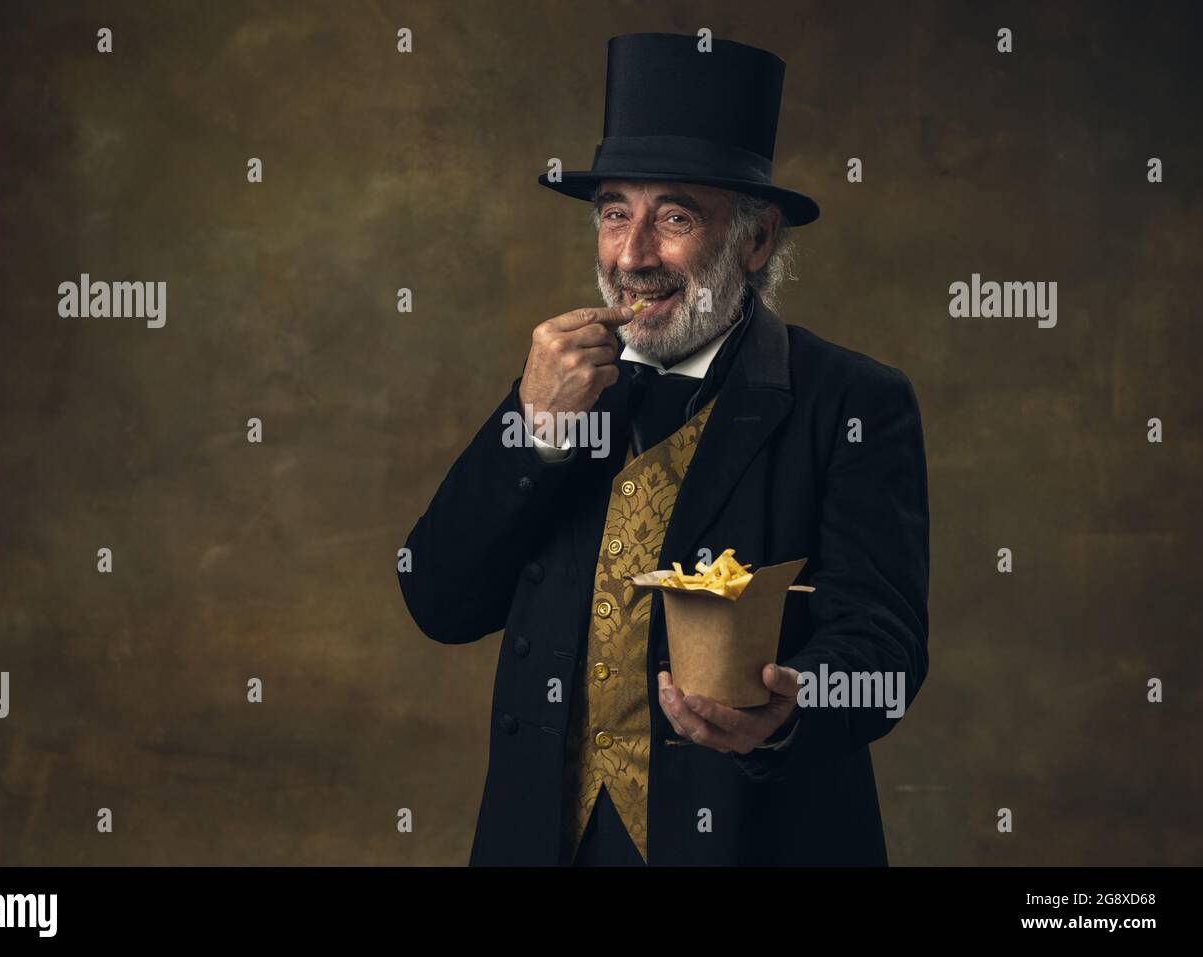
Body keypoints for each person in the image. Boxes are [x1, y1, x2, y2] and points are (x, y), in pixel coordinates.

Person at [398, 32, 929, 866]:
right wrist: (531, 429)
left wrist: (792, 706)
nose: (632, 255)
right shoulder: (558, 383)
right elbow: (438, 600)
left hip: (754, 841)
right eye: (615, 212)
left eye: (674, 216)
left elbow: (884, 651)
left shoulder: (854, 400)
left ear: (754, 241)